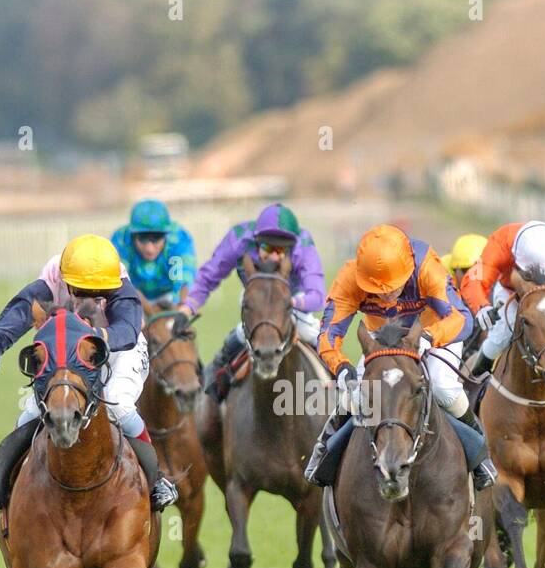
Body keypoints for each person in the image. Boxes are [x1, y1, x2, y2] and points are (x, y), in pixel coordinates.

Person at [0, 234, 178, 512]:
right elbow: (1, 331)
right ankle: (3, 479)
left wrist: (87, 334)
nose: (89, 302)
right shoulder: (47, 285)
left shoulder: (118, 282)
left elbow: (127, 332)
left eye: (99, 295)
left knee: (118, 403)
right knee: (33, 412)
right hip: (63, 351)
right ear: (65, 282)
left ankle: (157, 481)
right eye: (81, 292)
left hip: (118, 348)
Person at [304, 223, 497, 491]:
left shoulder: (426, 265)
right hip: (384, 342)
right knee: (356, 396)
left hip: (434, 335)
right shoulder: (350, 276)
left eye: (392, 287)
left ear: (408, 269)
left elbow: (460, 318)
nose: (384, 295)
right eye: (375, 288)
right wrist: (342, 368)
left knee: (443, 388)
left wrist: (429, 338)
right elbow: (327, 334)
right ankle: (323, 450)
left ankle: (481, 456)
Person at [181, 203, 326, 401]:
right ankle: (215, 374)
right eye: (268, 247)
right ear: (256, 241)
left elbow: (317, 297)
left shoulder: (303, 246)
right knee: (244, 330)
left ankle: (340, 383)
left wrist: (288, 302)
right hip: (255, 295)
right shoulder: (239, 239)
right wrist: (188, 308)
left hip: (293, 298)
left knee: (312, 332)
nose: (275, 255)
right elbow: (209, 276)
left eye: (281, 249)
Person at [459, 221, 545, 418]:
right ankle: (471, 392)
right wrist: (482, 307)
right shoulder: (501, 242)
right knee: (500, 336)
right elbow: (475, 280)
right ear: (517, 257)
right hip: (514, 289)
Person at [108, 198, 197, 307]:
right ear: (133, 235)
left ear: (166, 235)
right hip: (133, 295)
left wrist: (178, 311)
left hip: (169, 295)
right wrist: (148, 312)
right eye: (142, 238)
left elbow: (183, 282)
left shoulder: (179, 239)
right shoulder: (121, 240)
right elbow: (122, 282)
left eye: (157, 238)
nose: (149, 248)